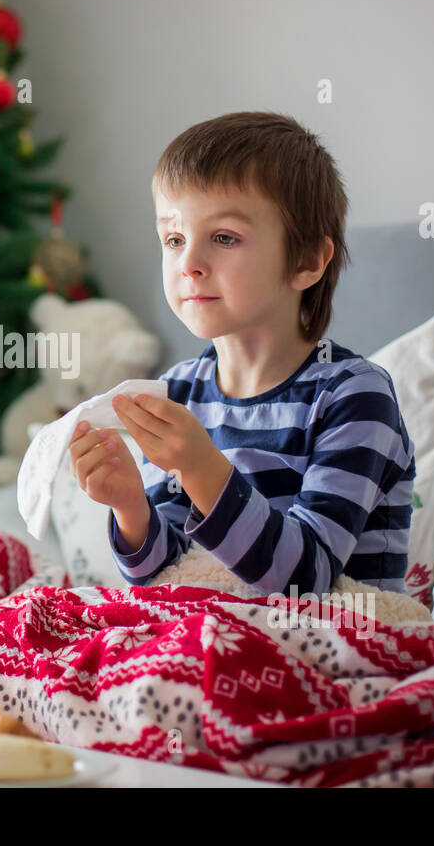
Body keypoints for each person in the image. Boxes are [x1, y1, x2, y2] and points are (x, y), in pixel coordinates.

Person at [69, 111, 415, 596]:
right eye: (173, 238)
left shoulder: (355, 395)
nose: (189, 262)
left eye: (224, 238)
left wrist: (201, 466)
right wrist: (130, 507)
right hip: (220, 634)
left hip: (341, 639)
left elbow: (305, 579)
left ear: (306, 261)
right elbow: (165, 579)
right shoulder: (178, 392)